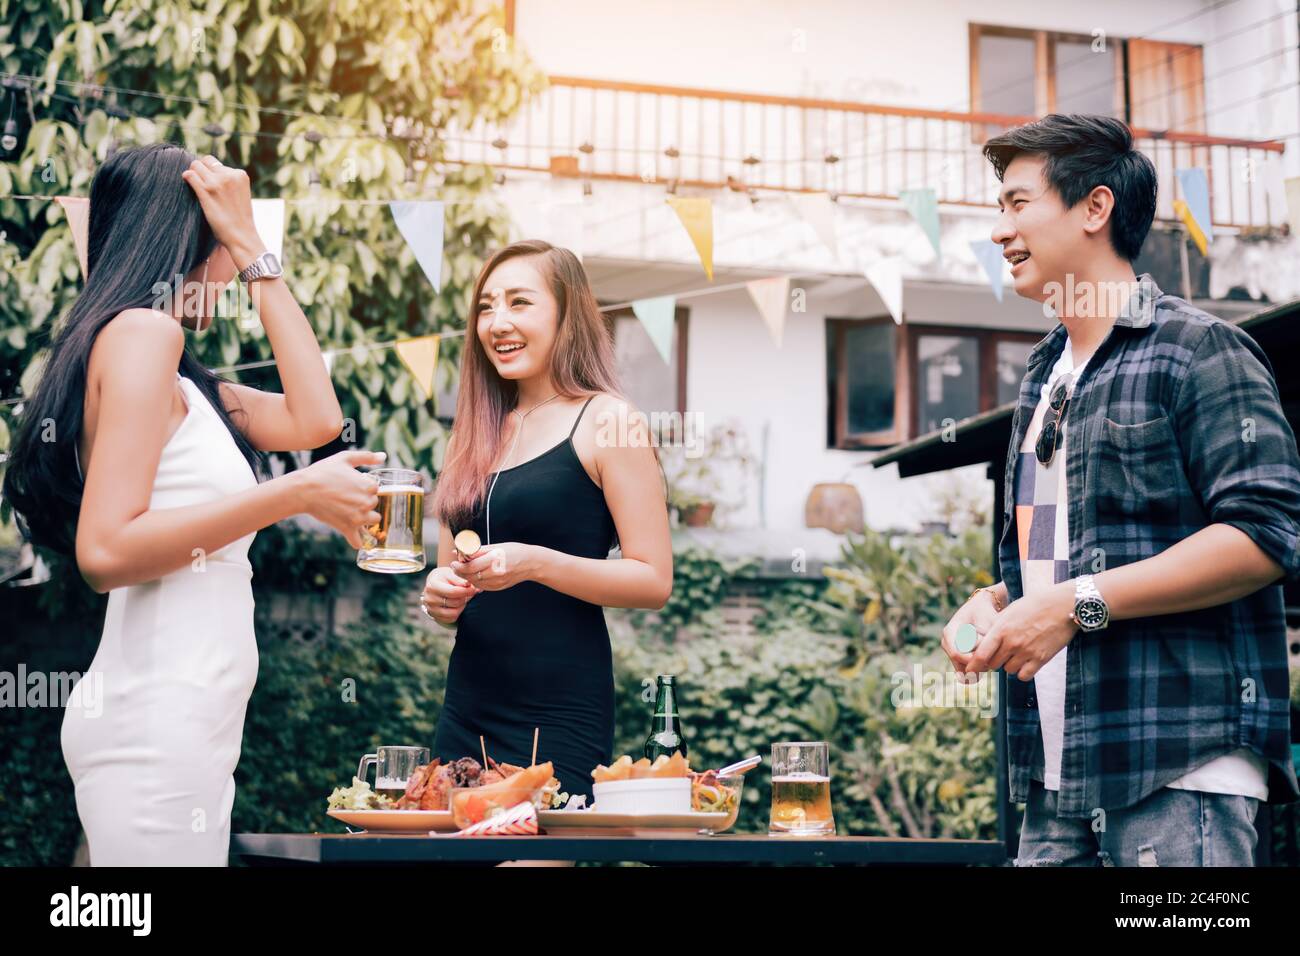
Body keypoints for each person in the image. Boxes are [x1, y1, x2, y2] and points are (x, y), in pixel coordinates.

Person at [2, 143, 386, 865]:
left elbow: (316, 417)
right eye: (219, 244)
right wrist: (294, 492)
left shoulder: (183, 380)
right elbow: (106, 552)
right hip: (157, 721)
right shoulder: (145, 335)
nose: (225, 272)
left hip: (187, 719)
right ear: (185, 239)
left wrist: (252, 250)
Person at [940, 114, 1300, 866]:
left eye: (1016, 203)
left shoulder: (1200, 350)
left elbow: (1264, 537)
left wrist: (1074, 604)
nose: (999, 228)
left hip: (1181, 772)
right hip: (1056, 778)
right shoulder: (1043, 377)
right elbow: (1053, 559)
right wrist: (1001, 601)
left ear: (1095, 208)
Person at [422, 239, 673, 806]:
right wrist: (439, 596)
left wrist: (534, 562)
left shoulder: (609, 420)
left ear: (567, 313)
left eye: (518, 302)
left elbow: (653, 580)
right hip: (465, 709)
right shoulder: (471, 431)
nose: (497, 322)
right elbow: (450, 582)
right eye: (486, 306)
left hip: (559, 713)